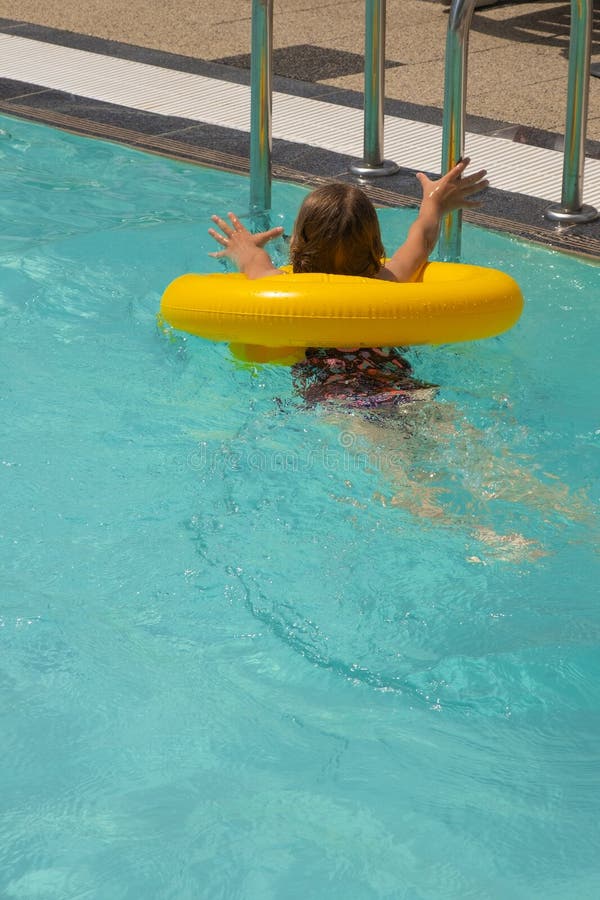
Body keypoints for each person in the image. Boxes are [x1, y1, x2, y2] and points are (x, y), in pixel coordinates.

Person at [208, 158, 488, 410]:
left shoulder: (286, 291)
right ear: (376, 245)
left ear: (298, 243)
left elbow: (252, 259)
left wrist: (243, 246)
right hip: (403, 386)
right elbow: (422, 240)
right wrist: (434, 202)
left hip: (336, 397)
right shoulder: (386, 283)